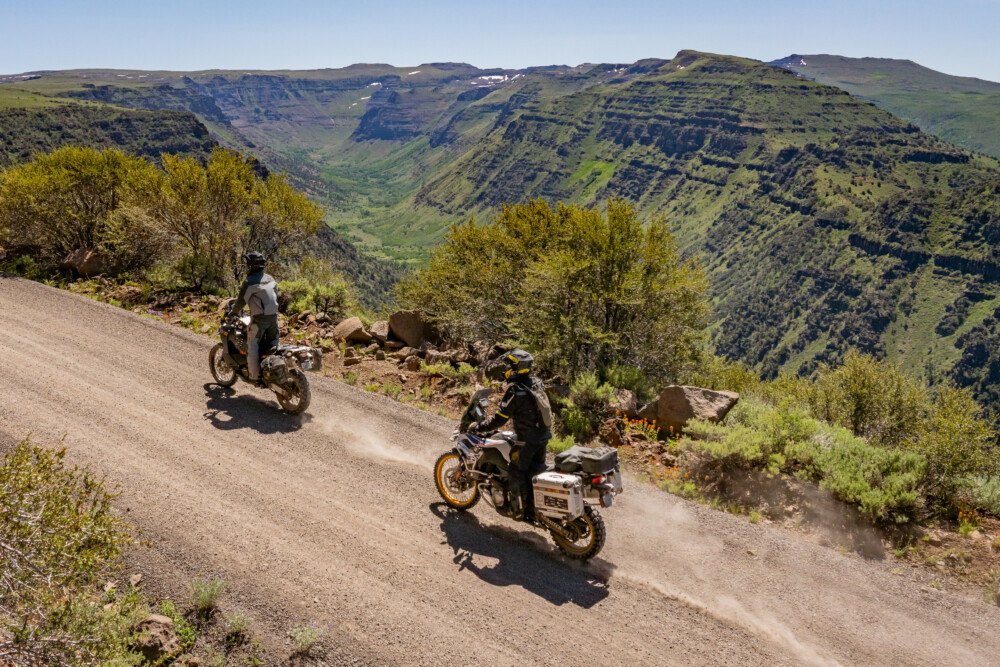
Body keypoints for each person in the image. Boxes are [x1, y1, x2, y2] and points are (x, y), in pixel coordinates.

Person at [473, 350, 553, 521]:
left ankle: (517, 510)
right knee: (533, 473)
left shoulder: (515, 391)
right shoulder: (537, 383)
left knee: (516, 472)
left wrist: (480, 427)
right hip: (544, 436)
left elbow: (499, 419)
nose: (507, 368)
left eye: (510, 365)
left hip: (527, 441)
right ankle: (533, 506)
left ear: (517, 368)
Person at [229, 252, 279, 385]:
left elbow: (241, 302)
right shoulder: (270, 278)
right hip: (273, 319)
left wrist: (232, 313)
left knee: (252, 345)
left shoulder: (249, 282)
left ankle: (255, 376)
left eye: (247, 264)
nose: (246, 266)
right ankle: (274, 371)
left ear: (252, 266)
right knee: (273, 344)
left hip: (259, 321)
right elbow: (275, 296)